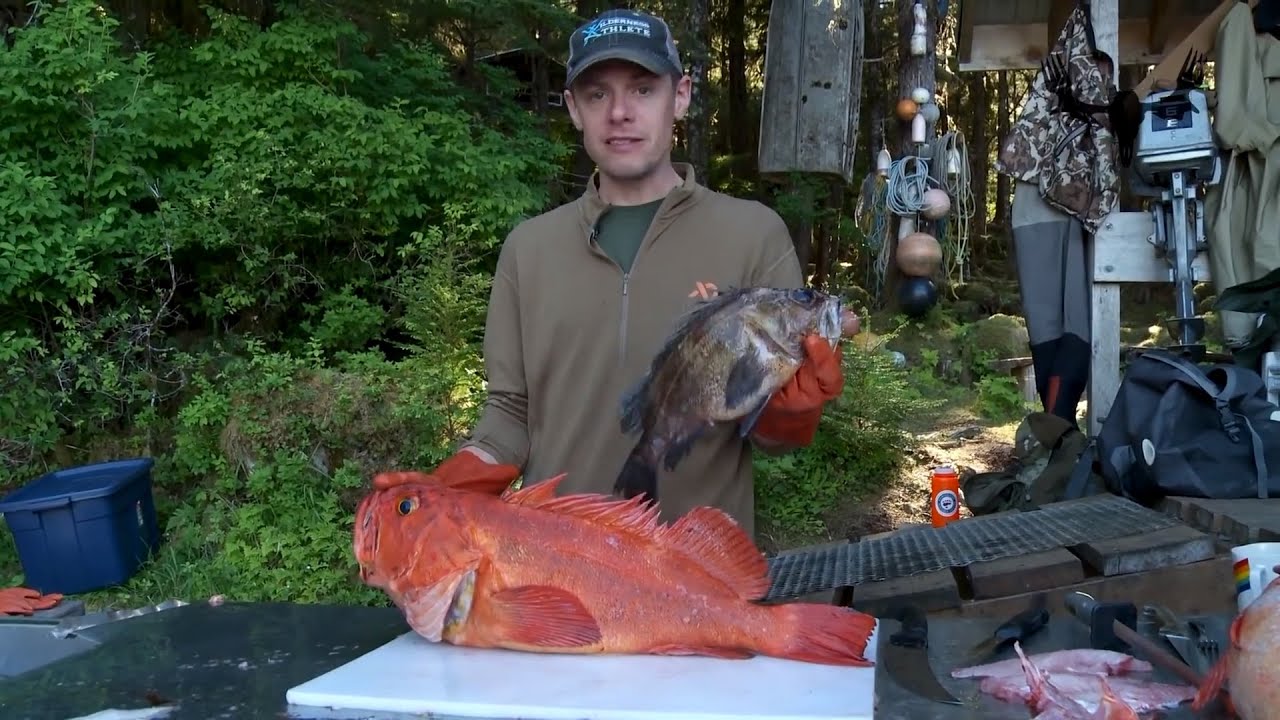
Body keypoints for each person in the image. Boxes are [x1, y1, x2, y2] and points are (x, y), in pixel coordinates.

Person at [376, 8, 853, 540]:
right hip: (556, 569)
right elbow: (509, 413)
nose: (620, 113)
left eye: (643, 90)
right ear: (574, 109)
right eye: (598, 94)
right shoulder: (529, 249)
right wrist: (450, 489)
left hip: (702, 576)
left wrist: (791, 414)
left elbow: (769, 435)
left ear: (681, 96)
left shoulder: (753, 234)